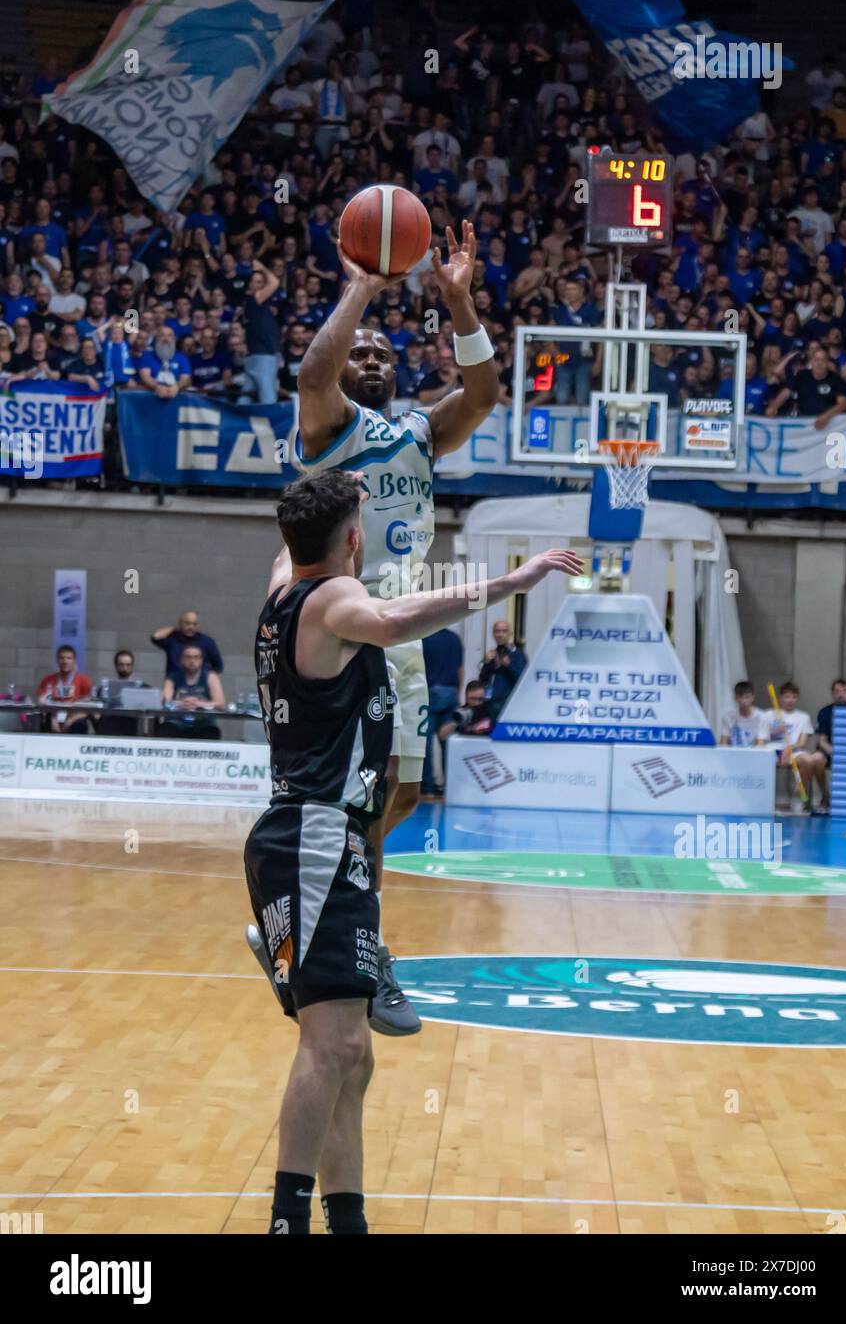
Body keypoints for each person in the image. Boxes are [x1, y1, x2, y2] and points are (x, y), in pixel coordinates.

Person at [244, 468, 581, 1234]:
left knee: (354, 1056)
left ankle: (348, 1220)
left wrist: (327, 485)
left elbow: (294, 538)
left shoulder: (281, 590)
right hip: (316, 836)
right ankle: (287, 1220)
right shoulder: (334, 601)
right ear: (355, 540)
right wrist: (513, 581)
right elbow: (396, 622)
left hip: (326, 839)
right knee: (333, 1047)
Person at [264, 220, 498, 1036]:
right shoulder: (329, 432)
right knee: (346, 802)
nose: (370, 362)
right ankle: (356, 943)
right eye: (361, 353)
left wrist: (460, 306)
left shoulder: (417, 434)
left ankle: (303, 922)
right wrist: (363, 286)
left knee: (404, 793)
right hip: (341, 626)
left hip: (401, 632)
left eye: (383, 356)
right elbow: (311, 372)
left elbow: (484, 396)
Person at [764, 681, 825, 814]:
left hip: (794, 750)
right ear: (780, 697)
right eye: (787, 696)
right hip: (771, 750)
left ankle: (796, 797)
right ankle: (764, 800)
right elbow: (761, 737)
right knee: (761, 761)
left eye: (793, 697)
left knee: (809, 760)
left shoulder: (803, 717)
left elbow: (802, 741)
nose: (790, 700)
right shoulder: (769, 714)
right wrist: (776, 731)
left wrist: (789, 748)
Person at [420, 625, 463, 798]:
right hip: (451, 692)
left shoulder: (423, 638)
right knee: (447, 741)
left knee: (426, 743)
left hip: (429, 693)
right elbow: (460, 670)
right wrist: (457, 695)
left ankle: (428, 788)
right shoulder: (454, 639)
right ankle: (449, 788)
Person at [158, 644, 225, 739]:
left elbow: (220, 703)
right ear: (182, 660)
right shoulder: (172, 677)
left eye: (196, 657)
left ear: (201, 660)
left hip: (203, 722)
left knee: (212, 731)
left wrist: (198, 704)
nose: (192, 661)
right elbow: (165, 701)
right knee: (166, 729)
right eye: (188, 657)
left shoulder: (211, 676)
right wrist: (182, 704)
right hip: (177, 721)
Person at [238, 257, 281, 404]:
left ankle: (236, 425)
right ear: (249, 285)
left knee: (246, 397)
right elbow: (275, 282)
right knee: (268, 398)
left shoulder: (254, 304)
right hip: (263, 355)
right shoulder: (255, 299)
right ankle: (273, 426)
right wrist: (261, 267)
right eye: (257, 282)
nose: (262, 285)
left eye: (262, 282)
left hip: (254, 355)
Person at [814, 677, 846, 813]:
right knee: (817, 759)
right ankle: (825, 796)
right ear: (832, 694)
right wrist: (834, 752)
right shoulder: (824, 712)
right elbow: (822, 740)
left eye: (844, 691)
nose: (840, 694)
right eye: (837, 691)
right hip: (830, 751)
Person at [38, 644, 93, 734]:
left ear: (74, 661)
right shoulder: (48, 680)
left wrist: (70, 721)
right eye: (62, 658)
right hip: (53, 716)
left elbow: (87, 708)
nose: (65, 661)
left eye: (69, 658)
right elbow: (42, 702)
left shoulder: (84, 680)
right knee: (44, 723)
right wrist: (52, 719)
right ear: (57, 661)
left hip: (74, 718)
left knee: (79, 725)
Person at [94, 649, 149, 737]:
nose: (125, 668)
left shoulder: (143, 688)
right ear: (116, 666)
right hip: (110, 727)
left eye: (128, 665)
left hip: (133, 725)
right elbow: (96, 707)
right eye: (121, 665)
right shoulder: (104, 688)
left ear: (132, 666)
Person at [150, 610, 223, 674]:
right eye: (187, 623)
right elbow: (155, 637)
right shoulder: (172, 639)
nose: (190, 627)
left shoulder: (207, 642)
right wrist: (175, 628)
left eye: (194, 624)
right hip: (175, 683)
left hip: (199, 686)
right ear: (180, 623)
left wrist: (204, 677)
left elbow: (218, 667)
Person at [479, 620, 527, 714]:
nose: (500, 634)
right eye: (497, 631)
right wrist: (487, 663)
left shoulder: (517, 654)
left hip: (509, 702)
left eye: (504, 631)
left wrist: (509, 665)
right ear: (493, 634)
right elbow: (482, 680)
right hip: (491, 702)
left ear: (510, 633)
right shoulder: (492, 654)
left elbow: (523, 679)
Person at [439, 679, 496, 750]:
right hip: (464, 751)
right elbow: (442, 735)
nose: (476, 702)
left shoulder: (491, 712)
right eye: (472, 699)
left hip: (486, 751)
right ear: (466, 697)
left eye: (480, 699)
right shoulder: (460, 712)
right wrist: (456, 721)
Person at [718, 680, 768, 747]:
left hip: (753, 754)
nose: (743, 701)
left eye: (747, 697)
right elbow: (723, 743)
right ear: (735, 698)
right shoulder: (728, 717)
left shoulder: (761, 717)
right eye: (740, 697)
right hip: (732, 754)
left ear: (753, 697)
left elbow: (760, 744)